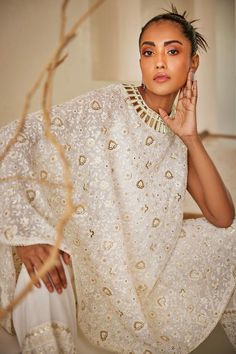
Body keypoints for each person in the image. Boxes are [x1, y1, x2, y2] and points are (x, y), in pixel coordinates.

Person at [0, 5, 235, 354]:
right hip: (73, 251)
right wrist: (24, 235)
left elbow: (223, 218)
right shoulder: (105, 105)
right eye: (148, 52)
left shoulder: (176, 136)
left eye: (172, 51)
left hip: (143, 272)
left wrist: (190, 137)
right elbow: (10, 138)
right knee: (43, 280)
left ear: (193, 62)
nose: (159, 62)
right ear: (140, 60)